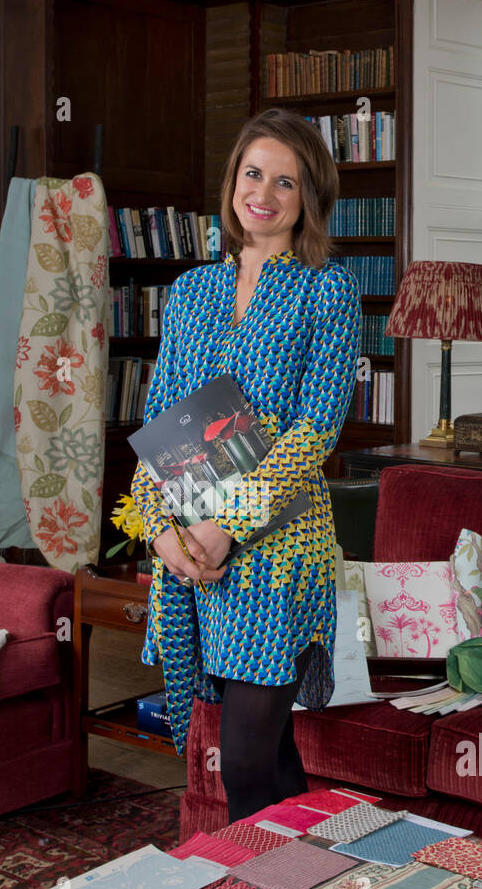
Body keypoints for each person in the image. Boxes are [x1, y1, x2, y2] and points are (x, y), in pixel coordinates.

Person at [130, 108, 362, 822]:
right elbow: (162, 420)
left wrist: (228, 528)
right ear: (233, 181)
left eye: (284, 181)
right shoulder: (191, 290)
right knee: (271, 756)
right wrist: (157, 529)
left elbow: (313, 430)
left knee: (244, 763)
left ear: (307, 197)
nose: (262, 192)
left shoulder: (328, 288)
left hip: (279, 545)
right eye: (252, 173)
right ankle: (325, 884)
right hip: (193, 545)